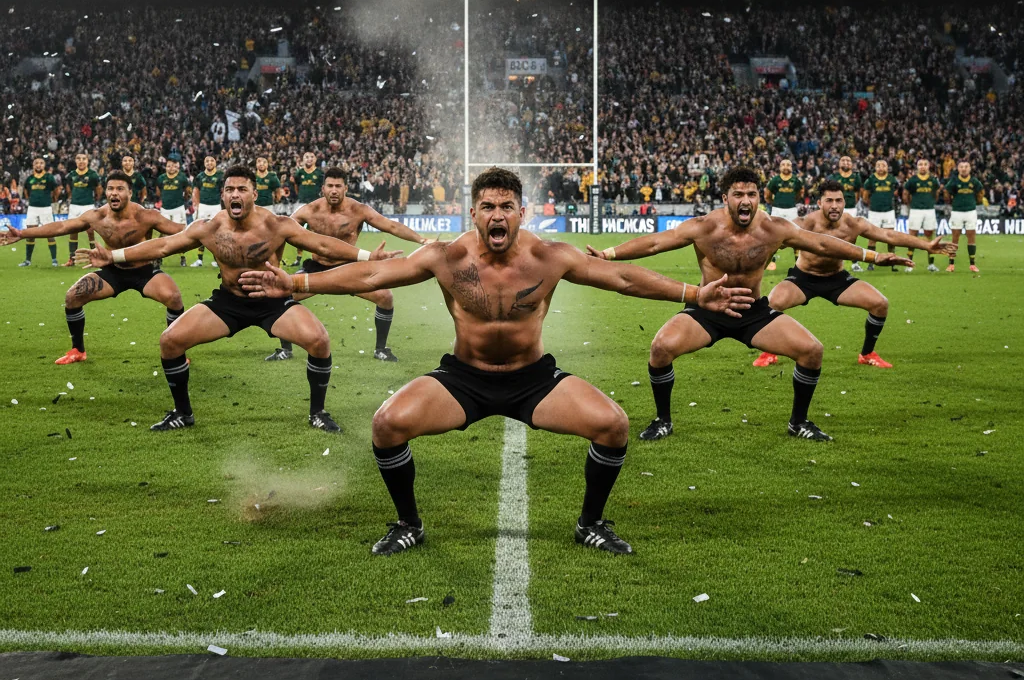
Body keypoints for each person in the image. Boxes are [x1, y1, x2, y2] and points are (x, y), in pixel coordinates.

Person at [238, 166, 753, 556]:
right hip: (465, 379)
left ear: (522, 212)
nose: (498, 215)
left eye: (507, 206)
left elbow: (621, 279)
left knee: (613, 425)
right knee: (388, 424)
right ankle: (409, 525)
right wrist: (297, 282)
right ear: (474, 214)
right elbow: (374, 277)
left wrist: (693, 293)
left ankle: (590, 524)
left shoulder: (549, 255)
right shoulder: (447, 256)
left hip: (534, 379)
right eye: (487, 207)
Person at [586, 167, 911, 445]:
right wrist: (609, 255)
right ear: (725, 197)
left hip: (752, 312)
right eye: (738, 194)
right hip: (708, 309)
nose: (746, 200)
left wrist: (874, 255)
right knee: (660, 349)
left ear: (760, 197)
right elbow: (656, 242)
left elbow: (824, 243)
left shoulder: (774, 229)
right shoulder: (704, 227)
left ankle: (798, 422)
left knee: (811, 351)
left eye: (752, 194)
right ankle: (663, 421)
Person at [76, 165, 402, 432]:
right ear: (222, 195)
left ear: (254, 194)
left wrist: (366, 255)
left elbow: (323, 244)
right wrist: (114, 256)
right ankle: (183, 413)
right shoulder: (208, 228)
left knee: (318, 341)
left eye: (242, 189)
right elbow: (163, 246)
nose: (235, 194)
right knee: (170, 342)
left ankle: (318, 412)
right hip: (228, 302)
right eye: (230, 189)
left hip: (271, 300)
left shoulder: (276, 224)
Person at [751, 180, 956, 370]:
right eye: (829, 201)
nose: (834, 206)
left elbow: (888, 235)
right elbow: (772, 240)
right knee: (770, 304)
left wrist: (927, 245)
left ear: (845, 202)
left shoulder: (854, 224)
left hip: (837, 279)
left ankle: (867, 354)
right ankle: (770, 353)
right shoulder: (804, 223)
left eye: (839, 200)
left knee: (880, 304)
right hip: (803, 278)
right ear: (819, 203)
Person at [0, 172, 187, 365]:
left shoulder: (147, 216)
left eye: (120, 189)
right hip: (112, 271)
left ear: (130, 193)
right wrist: (23, 233)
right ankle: (78, 350)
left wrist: (207, 232)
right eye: (110, 189)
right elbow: (63, 226)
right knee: (73, 297)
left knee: (173, 297)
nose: (114, 193)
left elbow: (183, 231)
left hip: (144, 272)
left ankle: (176, 350)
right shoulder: (97, 216)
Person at [265, 166, 429, 363]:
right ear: (323, 189)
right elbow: (281, 232)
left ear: (346, 189)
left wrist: (421, 240)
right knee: (282, 293)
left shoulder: (358, 210)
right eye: (330, 186)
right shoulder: (309, 211)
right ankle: (286, 349)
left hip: (349, 268)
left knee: (385, 297)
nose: (334, 190)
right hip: (317, 268)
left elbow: (391, 225)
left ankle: (381, 349)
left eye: (338, 186)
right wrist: (271, 261)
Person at [944, 160, 985, 273]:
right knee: (954, 238)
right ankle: (951, 264)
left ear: (970, 168)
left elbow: (980, 192)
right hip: (957, 212)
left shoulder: (974, 181)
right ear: (958, 168)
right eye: (961, 166)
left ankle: (972, 264)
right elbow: (947, 191)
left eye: (966, 166)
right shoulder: (954, 180)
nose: (964, 169)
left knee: (971, 237)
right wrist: (950, 201)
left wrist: (976, 202)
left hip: (970, 211)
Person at [18, 157, 60, 267]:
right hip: (32, 208)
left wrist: (54, 200)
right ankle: (27, 260)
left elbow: (56, 190)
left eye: (41, 163)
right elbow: (26, 191)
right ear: (33, 165)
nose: (38, 165)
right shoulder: (30, 178)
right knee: (30, 233)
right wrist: (30, 199)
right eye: (36, 163)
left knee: (50, 234)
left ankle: (54, 260)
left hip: (46, 208)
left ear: (44, 165)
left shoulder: (49, 177)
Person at [902, 158, 941, 272]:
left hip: (929, 210)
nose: (922, 166)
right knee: (912, 237)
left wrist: (931, 201)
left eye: (925, 164)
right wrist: (911, 204)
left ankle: (931, 264)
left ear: (928, 166)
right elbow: (905, 193)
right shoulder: (912, 180)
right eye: (920, 164)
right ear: (917, 167)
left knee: (929, 236)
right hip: (915, 210)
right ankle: (909, 264)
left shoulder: (933, 180)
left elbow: (936, 193)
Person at [64, 152, 102, 266]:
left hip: (88, 205)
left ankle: (94, 257)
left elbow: (98, 189)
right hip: (74, 205)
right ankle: (72, 259)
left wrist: (96, 199)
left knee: (90, 231)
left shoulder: (93, 175)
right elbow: (68, 188)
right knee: (72, 231)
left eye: (84, 159)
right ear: (75, 161)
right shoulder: (71, 175)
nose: (81, 161)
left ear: (87, 161)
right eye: (78, 158)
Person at [860, 159, 898, 271]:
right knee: (872, 238)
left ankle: (892, 263)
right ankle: (871, 263)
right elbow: (865, 195)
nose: (881, 167)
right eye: (878, 165)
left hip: (889, 211)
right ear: (875, 168)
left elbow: (895, 192)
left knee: (891, 238)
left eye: (883, 165)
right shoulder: (871, 180)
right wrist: (871, 204)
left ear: (887, 168)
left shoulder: (892, 179)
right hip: (874, 212)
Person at [763, 157, 800, 271]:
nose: (786, 167)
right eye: (783, 164)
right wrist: (774, 203)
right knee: (774, 236)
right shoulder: (775, 180)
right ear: (780, 167)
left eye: (788, 165)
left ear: (791, 167)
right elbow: (767, 194)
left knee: (796, 237)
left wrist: (792, 202)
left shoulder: (796, 180)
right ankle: (771, 261)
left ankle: (798, 264)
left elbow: (799, 194)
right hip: (777, 210)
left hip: (792, 210)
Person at [155, 156, 192, 267]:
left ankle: (182, 257)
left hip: (178, 208)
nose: (171, 168)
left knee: (180, 234)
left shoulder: (182, 178)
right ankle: (158, 258)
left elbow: (187, 191)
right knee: (162, 233)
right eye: (168, 165)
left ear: (177, 167)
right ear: (166, 167)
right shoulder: (161, 178)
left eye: (173, 166)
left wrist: (183, 200)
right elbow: (158, 192)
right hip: (165, 209)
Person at [289, 151, 324, 267]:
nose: (309, 159)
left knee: (314, 233)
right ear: (303, 160)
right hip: (302, 205)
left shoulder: (319, 174)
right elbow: (296, 185)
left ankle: (316, 258)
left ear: (315, 159)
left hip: (315, 205)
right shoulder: (299, 173)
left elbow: (323, 189)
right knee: (299, 232)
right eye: (307, 157)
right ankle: (298, 258)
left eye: (311, 157)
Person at [190, 155, 223, 267]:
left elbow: (224, 191)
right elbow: (195, 191)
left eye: (212, 160)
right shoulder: (200, 176)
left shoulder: (221, 176)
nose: (209, 163)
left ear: (215, 162)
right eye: (207, 161)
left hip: (216, 206)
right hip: (203, 206)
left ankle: (218, 260)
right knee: (201, 232)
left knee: (217, 233)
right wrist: (196, 205)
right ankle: (199, 260)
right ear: (204, 163)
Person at [835, 155, 864, 269]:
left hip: (851, 208)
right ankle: (834, 262)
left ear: (851, 164)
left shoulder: (856, 177)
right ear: (839, 164)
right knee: (835, 234)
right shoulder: (834, 177)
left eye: (848, 161)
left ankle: (854, 263)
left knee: (852, 236)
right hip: (836, 209)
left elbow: (858, 193)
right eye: (843, 160)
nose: (846, 162)